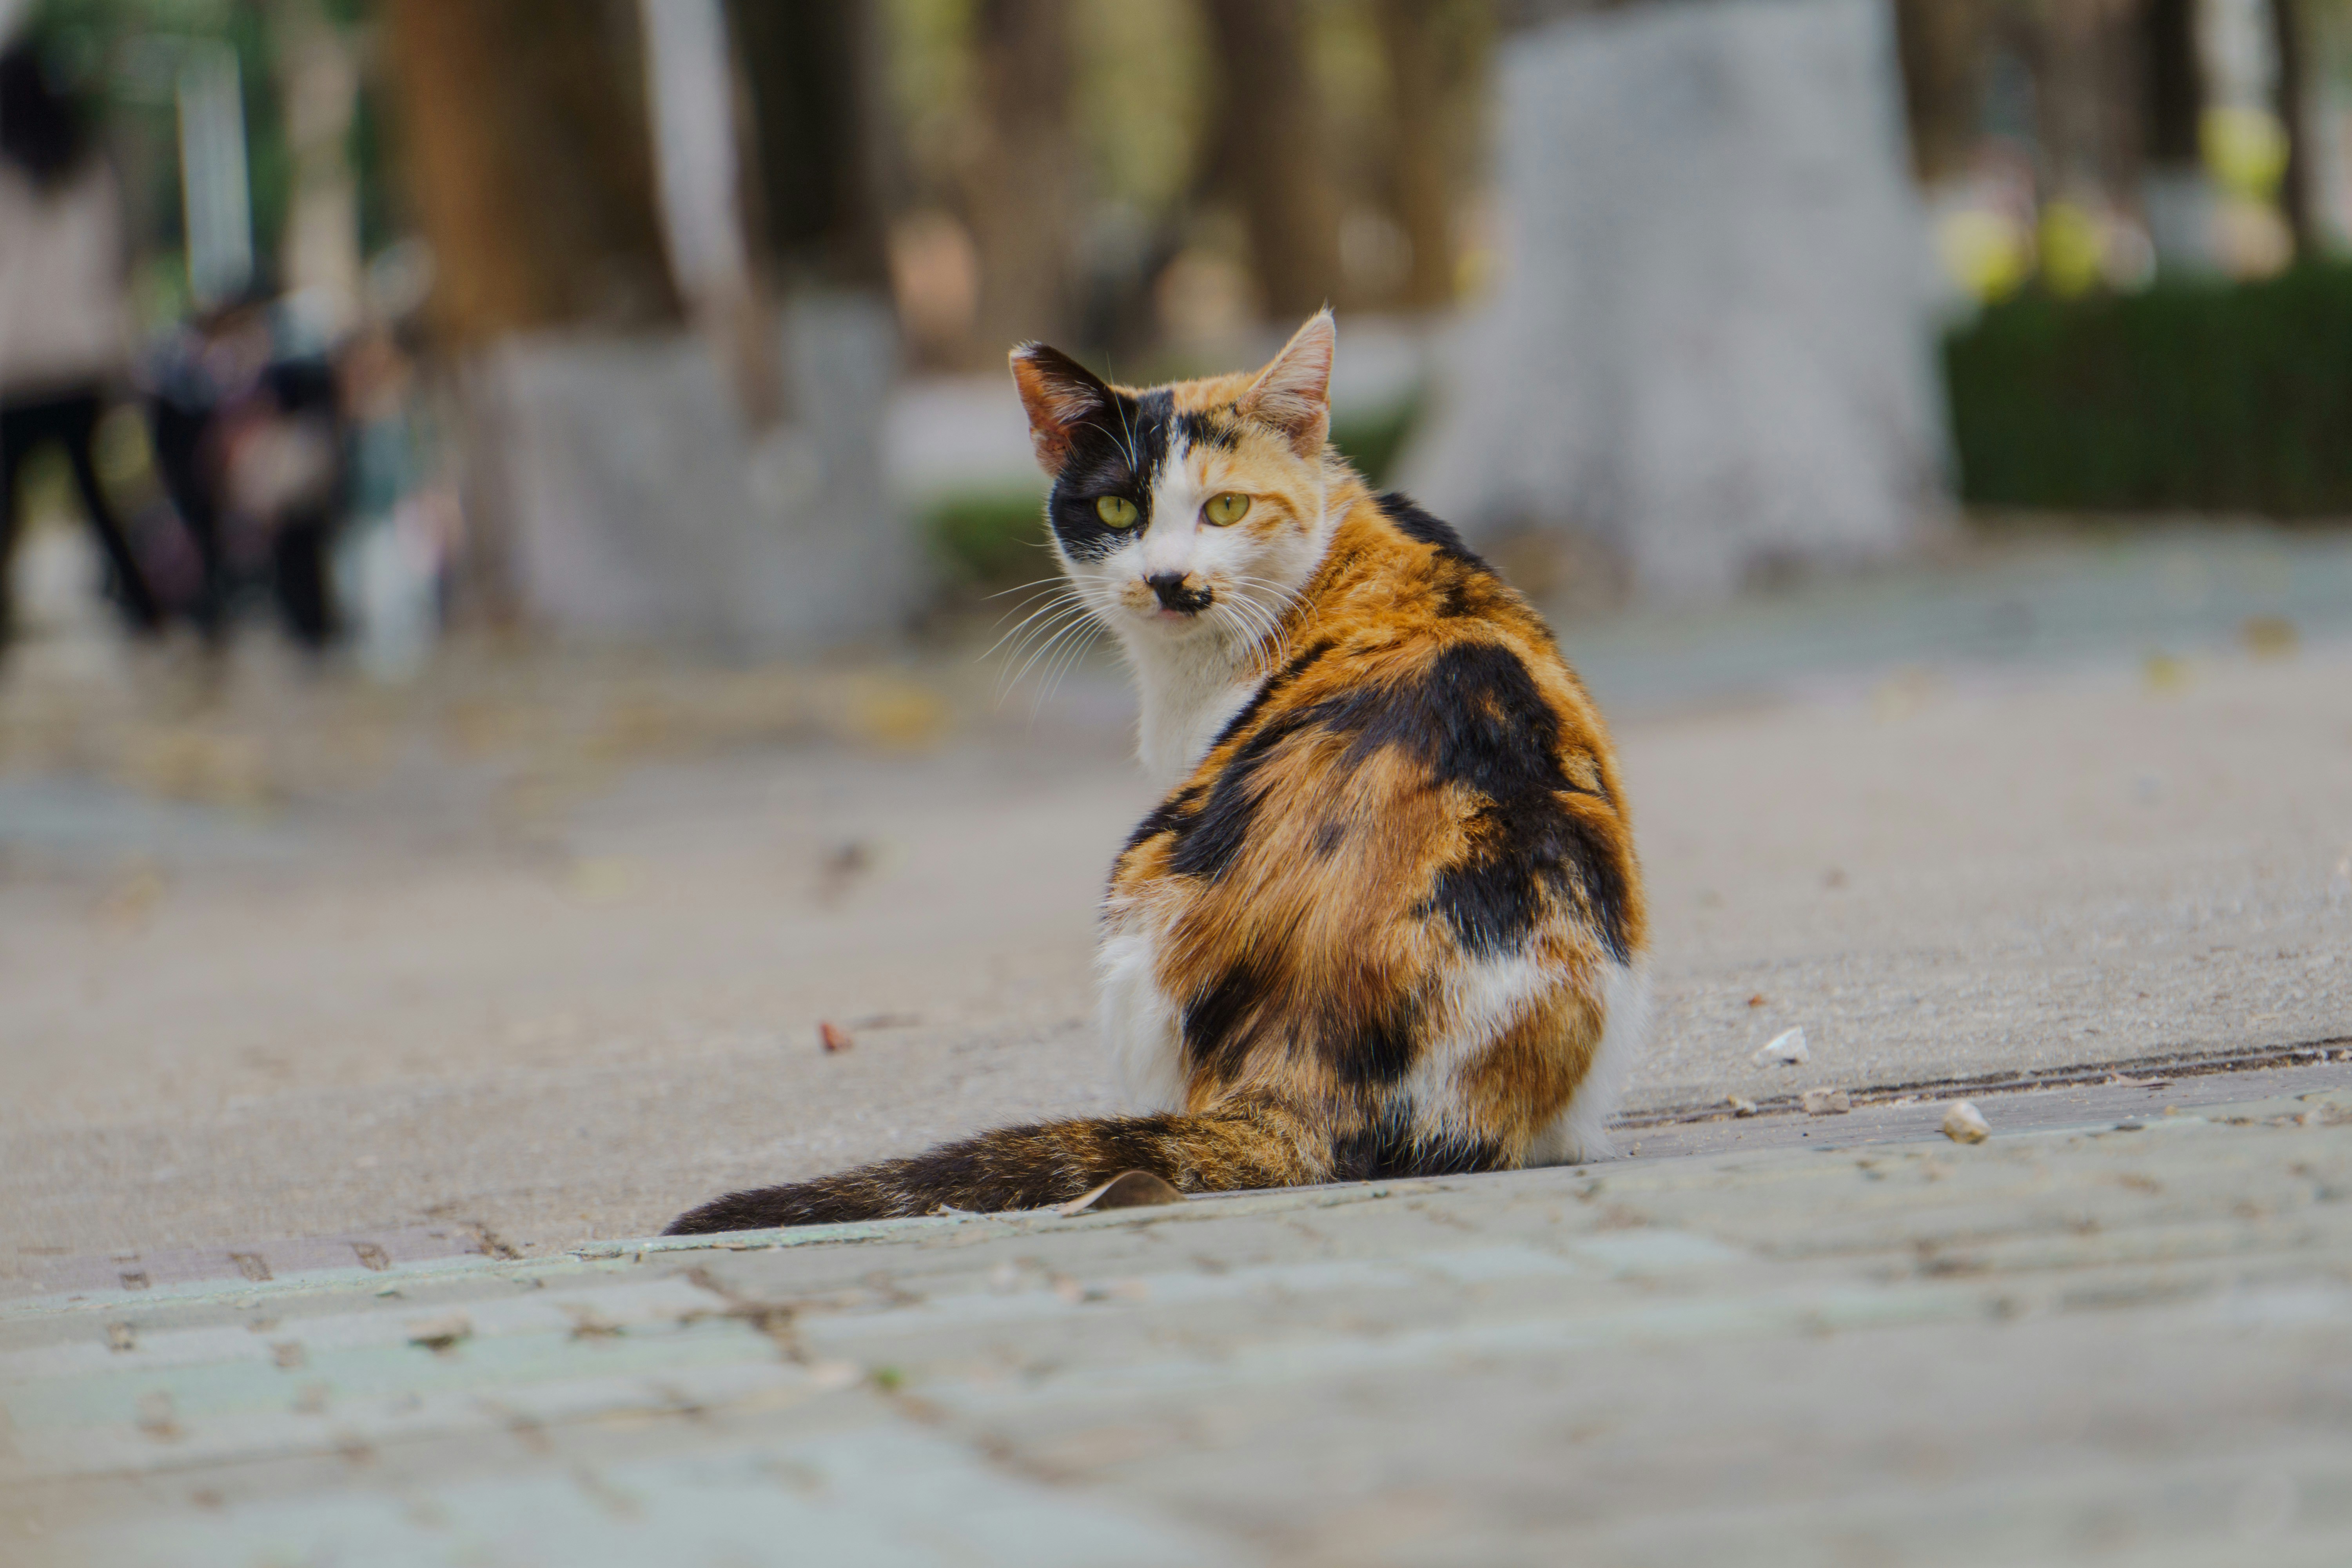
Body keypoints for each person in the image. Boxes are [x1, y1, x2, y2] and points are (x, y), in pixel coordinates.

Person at [0, 36, 162, 653]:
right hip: (77, 357)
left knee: (6, 506)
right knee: (101, 499)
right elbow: (109, 258)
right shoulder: (83, 165)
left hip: (14, 360)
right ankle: (151, 621)